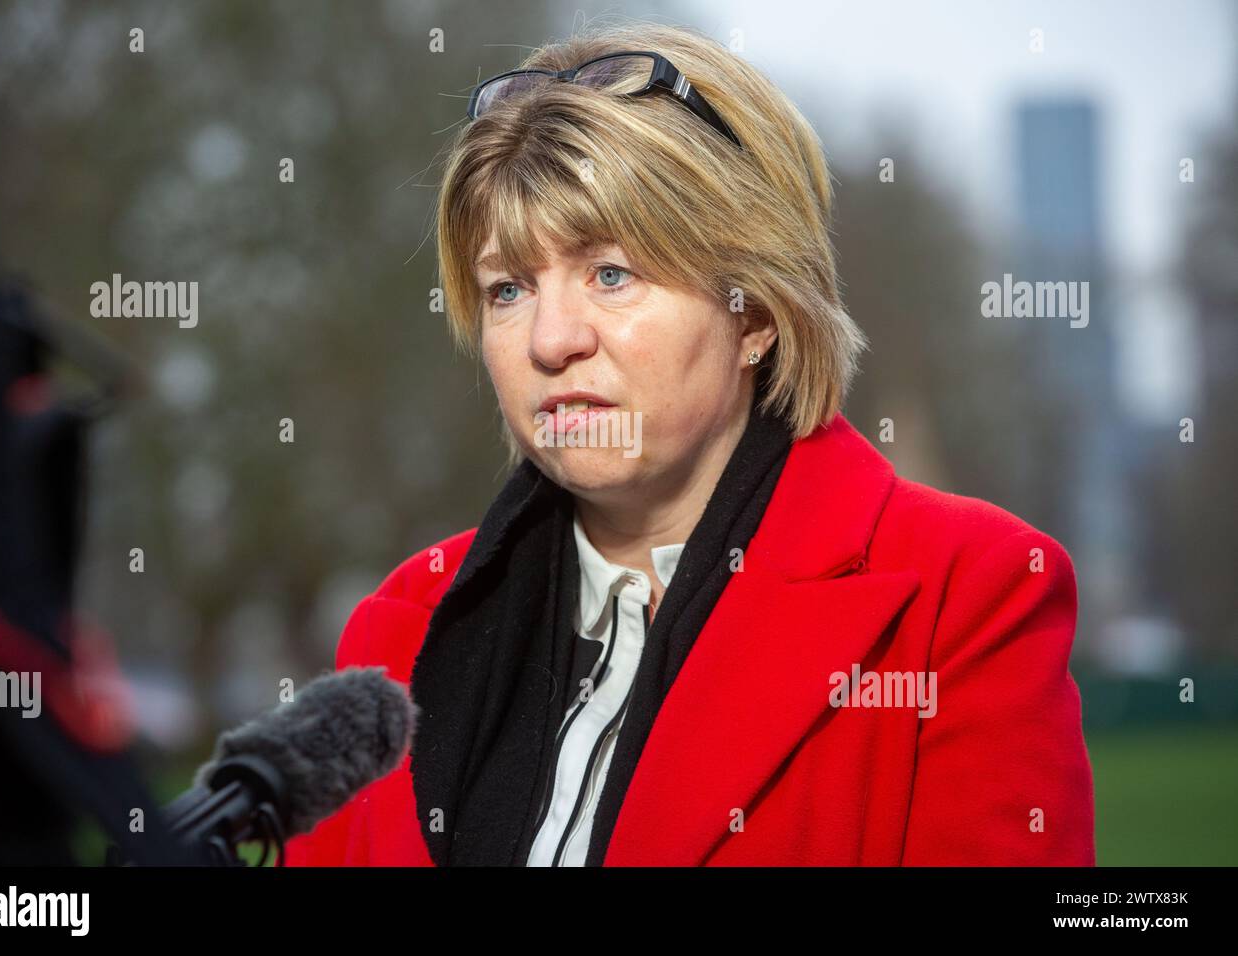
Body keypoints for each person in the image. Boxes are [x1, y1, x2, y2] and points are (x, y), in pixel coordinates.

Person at [283, 20, 1095, 866]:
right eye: (509, 288)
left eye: (611, 274)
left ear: (756, 311)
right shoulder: (402, 625)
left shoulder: (964, 597)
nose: (550, 340)